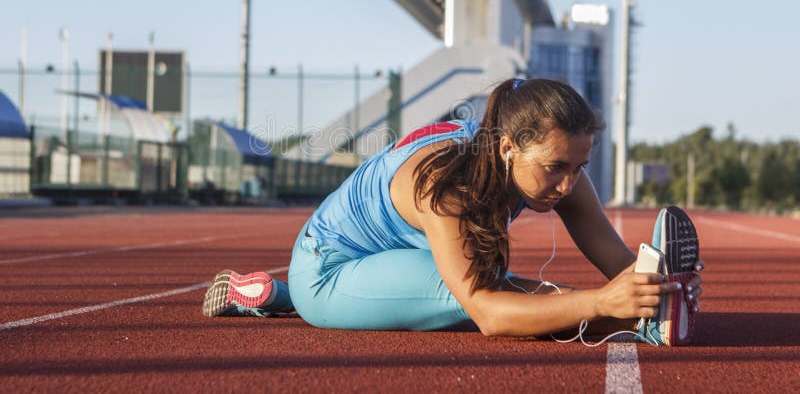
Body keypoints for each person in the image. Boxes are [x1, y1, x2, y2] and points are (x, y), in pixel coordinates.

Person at [203, 78, 703, 346]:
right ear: (508, 148)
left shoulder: (553, 157)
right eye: (556, 168)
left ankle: (273, 295)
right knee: (474, 290)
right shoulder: (454, 187)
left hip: (397, 255)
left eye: (580, 165)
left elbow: (615, 261)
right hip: (328, 270)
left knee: (489, 277)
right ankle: (293, 294)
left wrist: (658, 287)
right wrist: (604, 306)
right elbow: (488, 312)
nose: (569, 184)